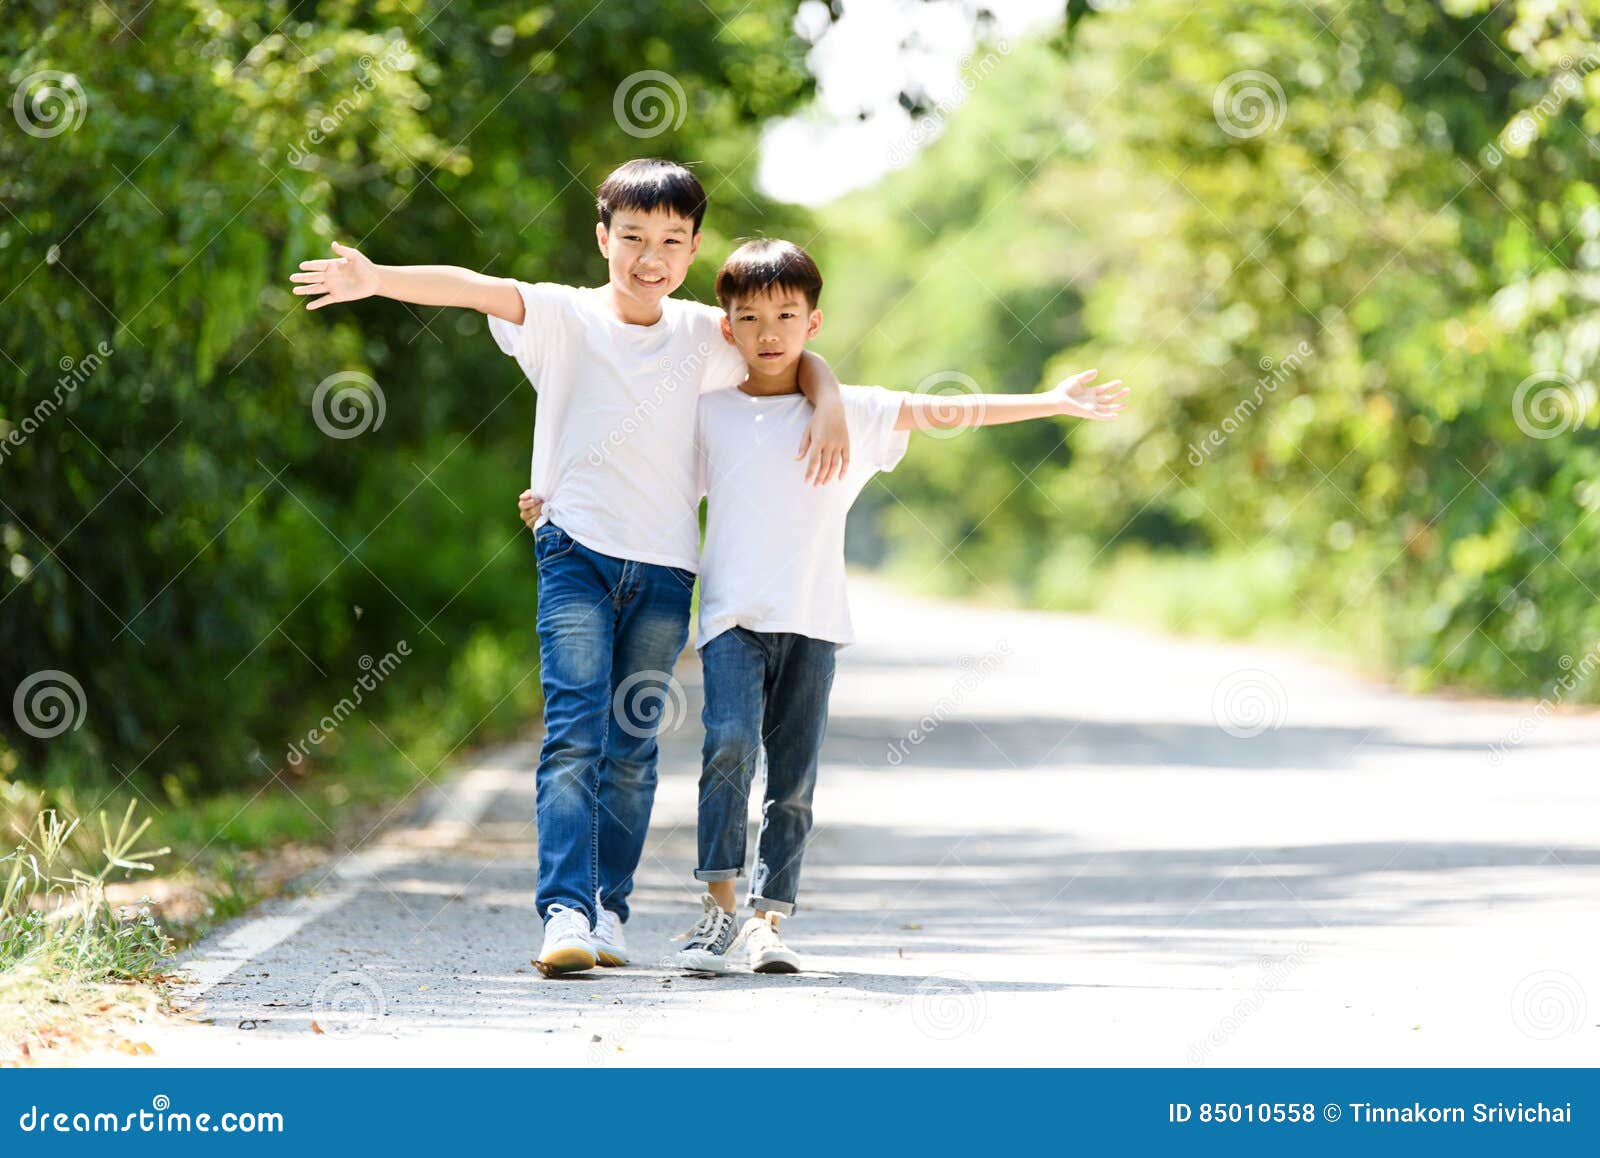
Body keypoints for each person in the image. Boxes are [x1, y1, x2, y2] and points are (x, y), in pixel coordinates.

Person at [293, 161, 851, 977]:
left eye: (669, 240)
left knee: (631, 747)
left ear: (693, 247)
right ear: (603, 238)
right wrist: (376, 278)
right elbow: (473, 286)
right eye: (632, 237)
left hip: (665, 569)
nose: (648, 256)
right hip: (574, 552)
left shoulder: (707, 333)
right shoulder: (562, 314)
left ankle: (610, 911)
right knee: (571, 736)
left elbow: (789, 349)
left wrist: (831, 396)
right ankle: (564, 908)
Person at [523, 237, 1127, 973]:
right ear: (727, 327)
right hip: (730, 622)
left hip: (814, 620)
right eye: (749, 318)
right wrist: (554, 493)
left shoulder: (856, 414)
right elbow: (630, 454)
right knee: (729, 749)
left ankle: (767, 920)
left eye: (786, 315)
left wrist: (1049, 403)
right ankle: (717, 912)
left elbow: (946, 410)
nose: (768, 333)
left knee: (795, 778)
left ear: (814, 322)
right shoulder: (705, 411)